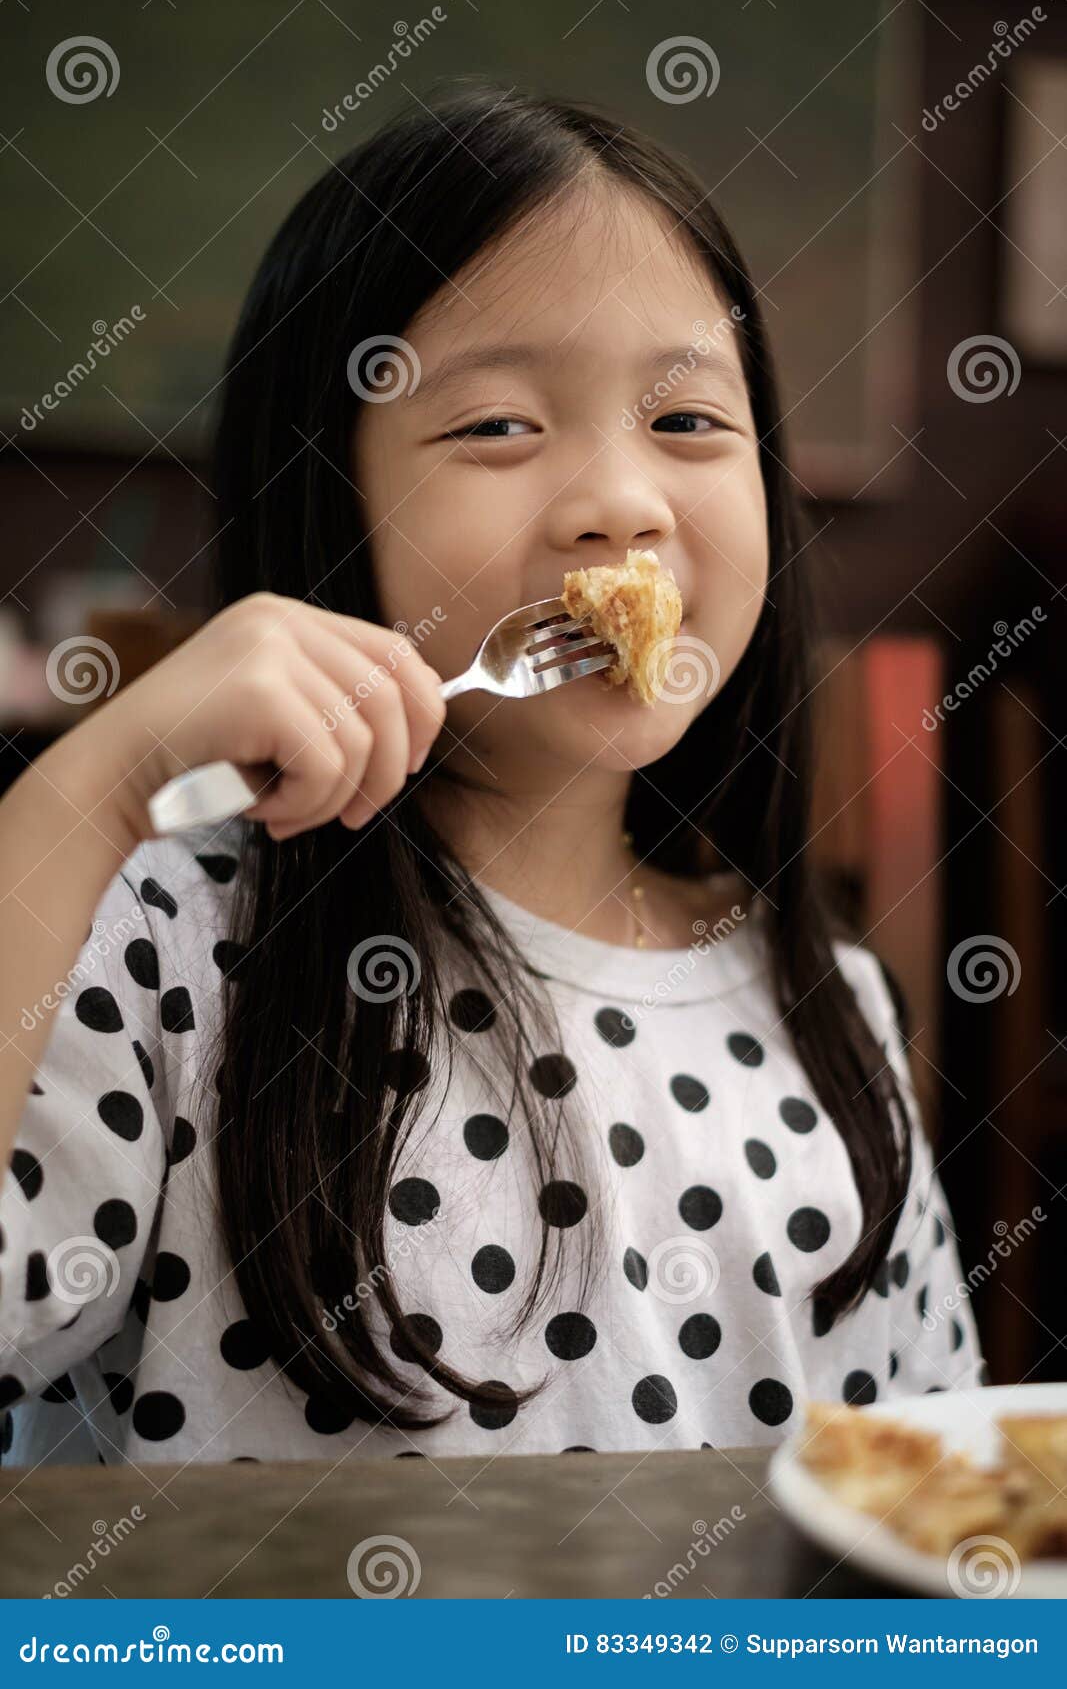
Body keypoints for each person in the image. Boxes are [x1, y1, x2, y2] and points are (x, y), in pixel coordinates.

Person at [0, 83, 982, 1467]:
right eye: (500, 428)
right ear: (327, 493)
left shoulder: (840, 1007)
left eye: (691, 422)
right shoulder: (165, 941)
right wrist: (83, 795)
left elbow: (920, 1480)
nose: (619, 503)